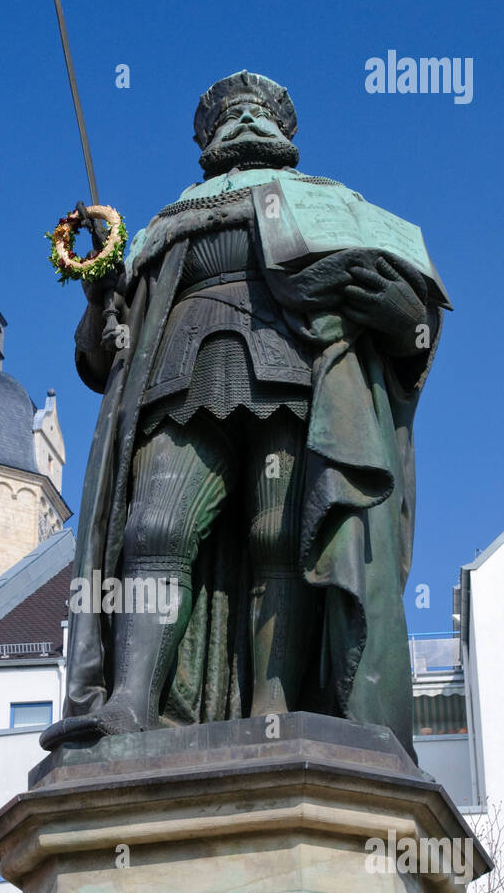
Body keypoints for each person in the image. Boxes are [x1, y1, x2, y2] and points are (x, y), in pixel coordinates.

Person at [41, 71, 444, 760]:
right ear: (207, 141)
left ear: (284, 134)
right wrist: (101, 303)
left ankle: (274, 706)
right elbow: (104, 353)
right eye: (230, 115)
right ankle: (129, 702)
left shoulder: (331, 204)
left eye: (258, 112)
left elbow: (411, 317)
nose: (244, 121)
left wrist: (406, 317)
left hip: (293, 376)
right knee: (153, 528)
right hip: (177, 381)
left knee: (281, 535)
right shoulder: (166, 225)